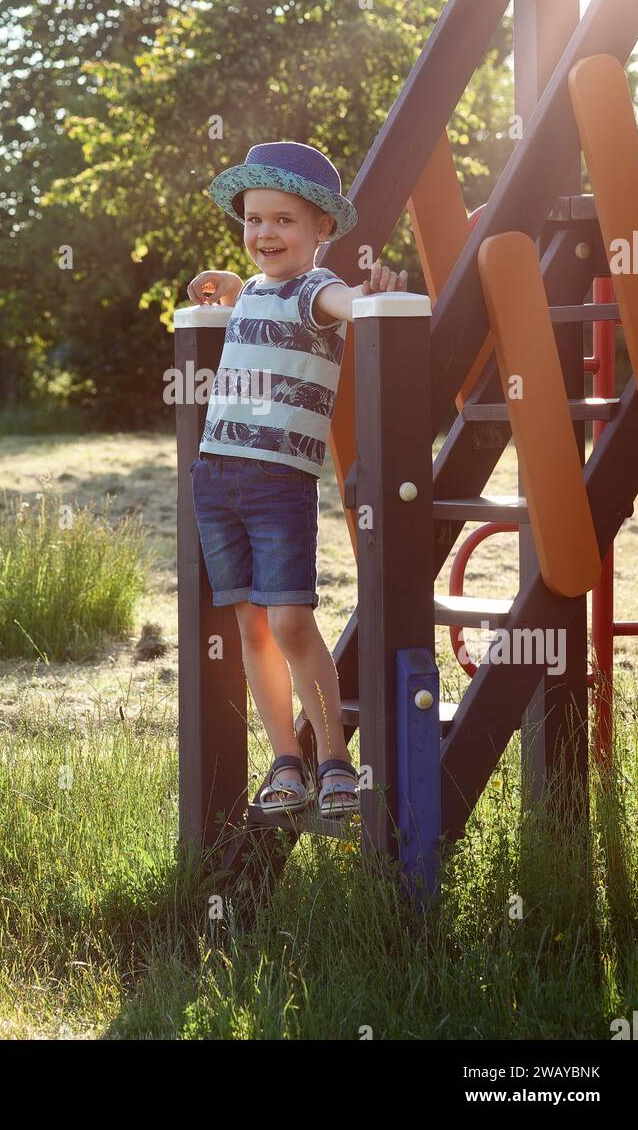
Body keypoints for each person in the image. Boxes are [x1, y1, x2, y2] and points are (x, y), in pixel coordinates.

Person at [187, 141, 410, 818]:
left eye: (284, 221)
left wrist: (369, 301)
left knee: (288, 618)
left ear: (323, 230)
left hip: (279, 482)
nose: (264, 233)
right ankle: (285, 758)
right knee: (251, 624)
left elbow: (337, 301)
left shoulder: (318, 290)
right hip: (216, 475)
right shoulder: (255, 287)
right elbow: (256, 295)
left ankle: (335, 758)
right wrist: (226, 283)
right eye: (254, 220)